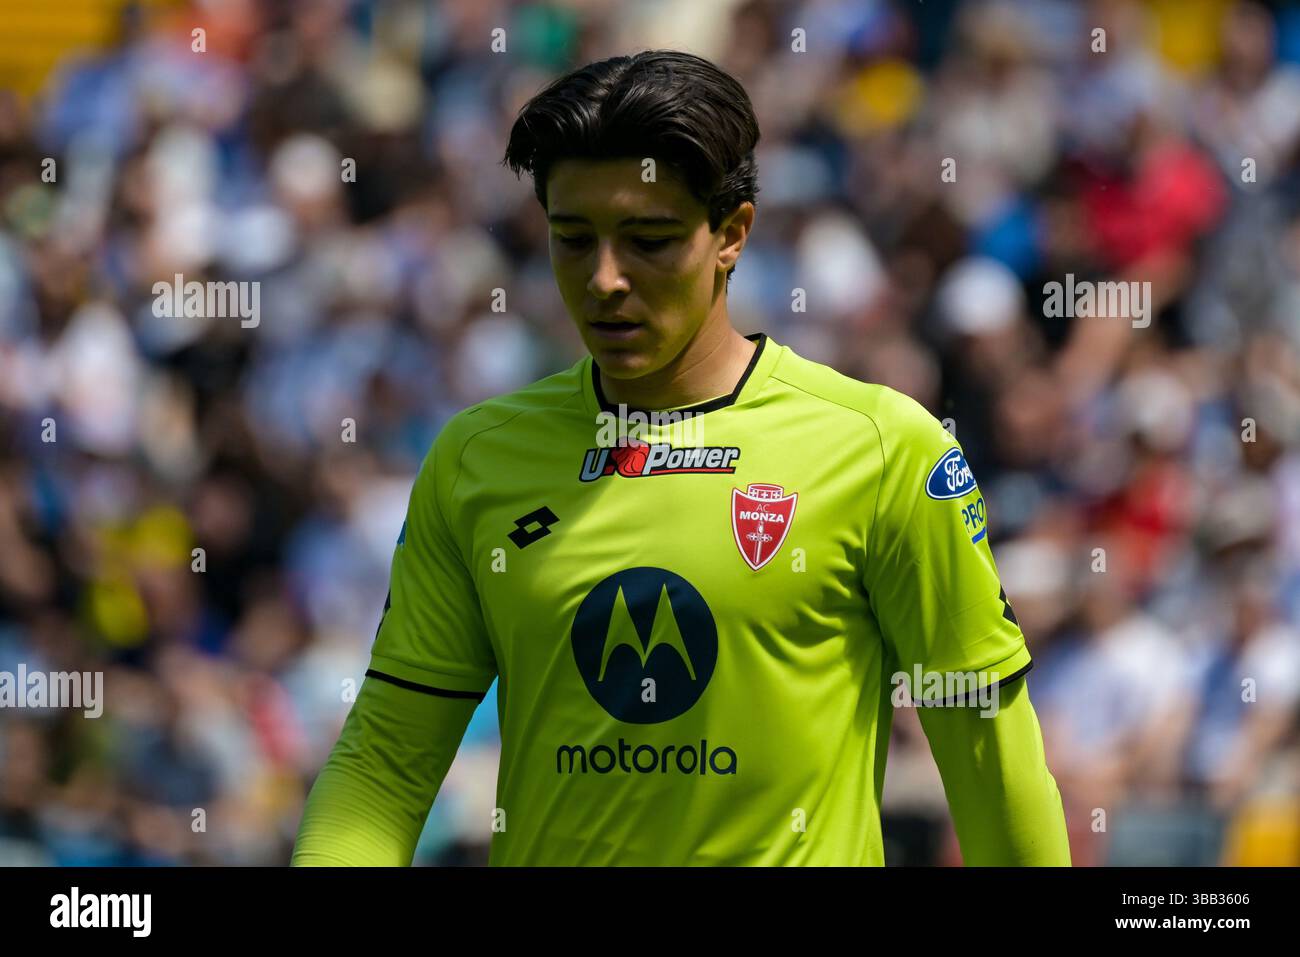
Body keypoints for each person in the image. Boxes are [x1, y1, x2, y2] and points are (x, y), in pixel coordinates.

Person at [292, 50, 1070, 866]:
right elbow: (384, 764)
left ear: (731, 234)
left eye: (649, 240)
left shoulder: (883, 449)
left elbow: (992, 762)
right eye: (571, 240)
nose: (604, 280)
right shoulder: (475, 459)